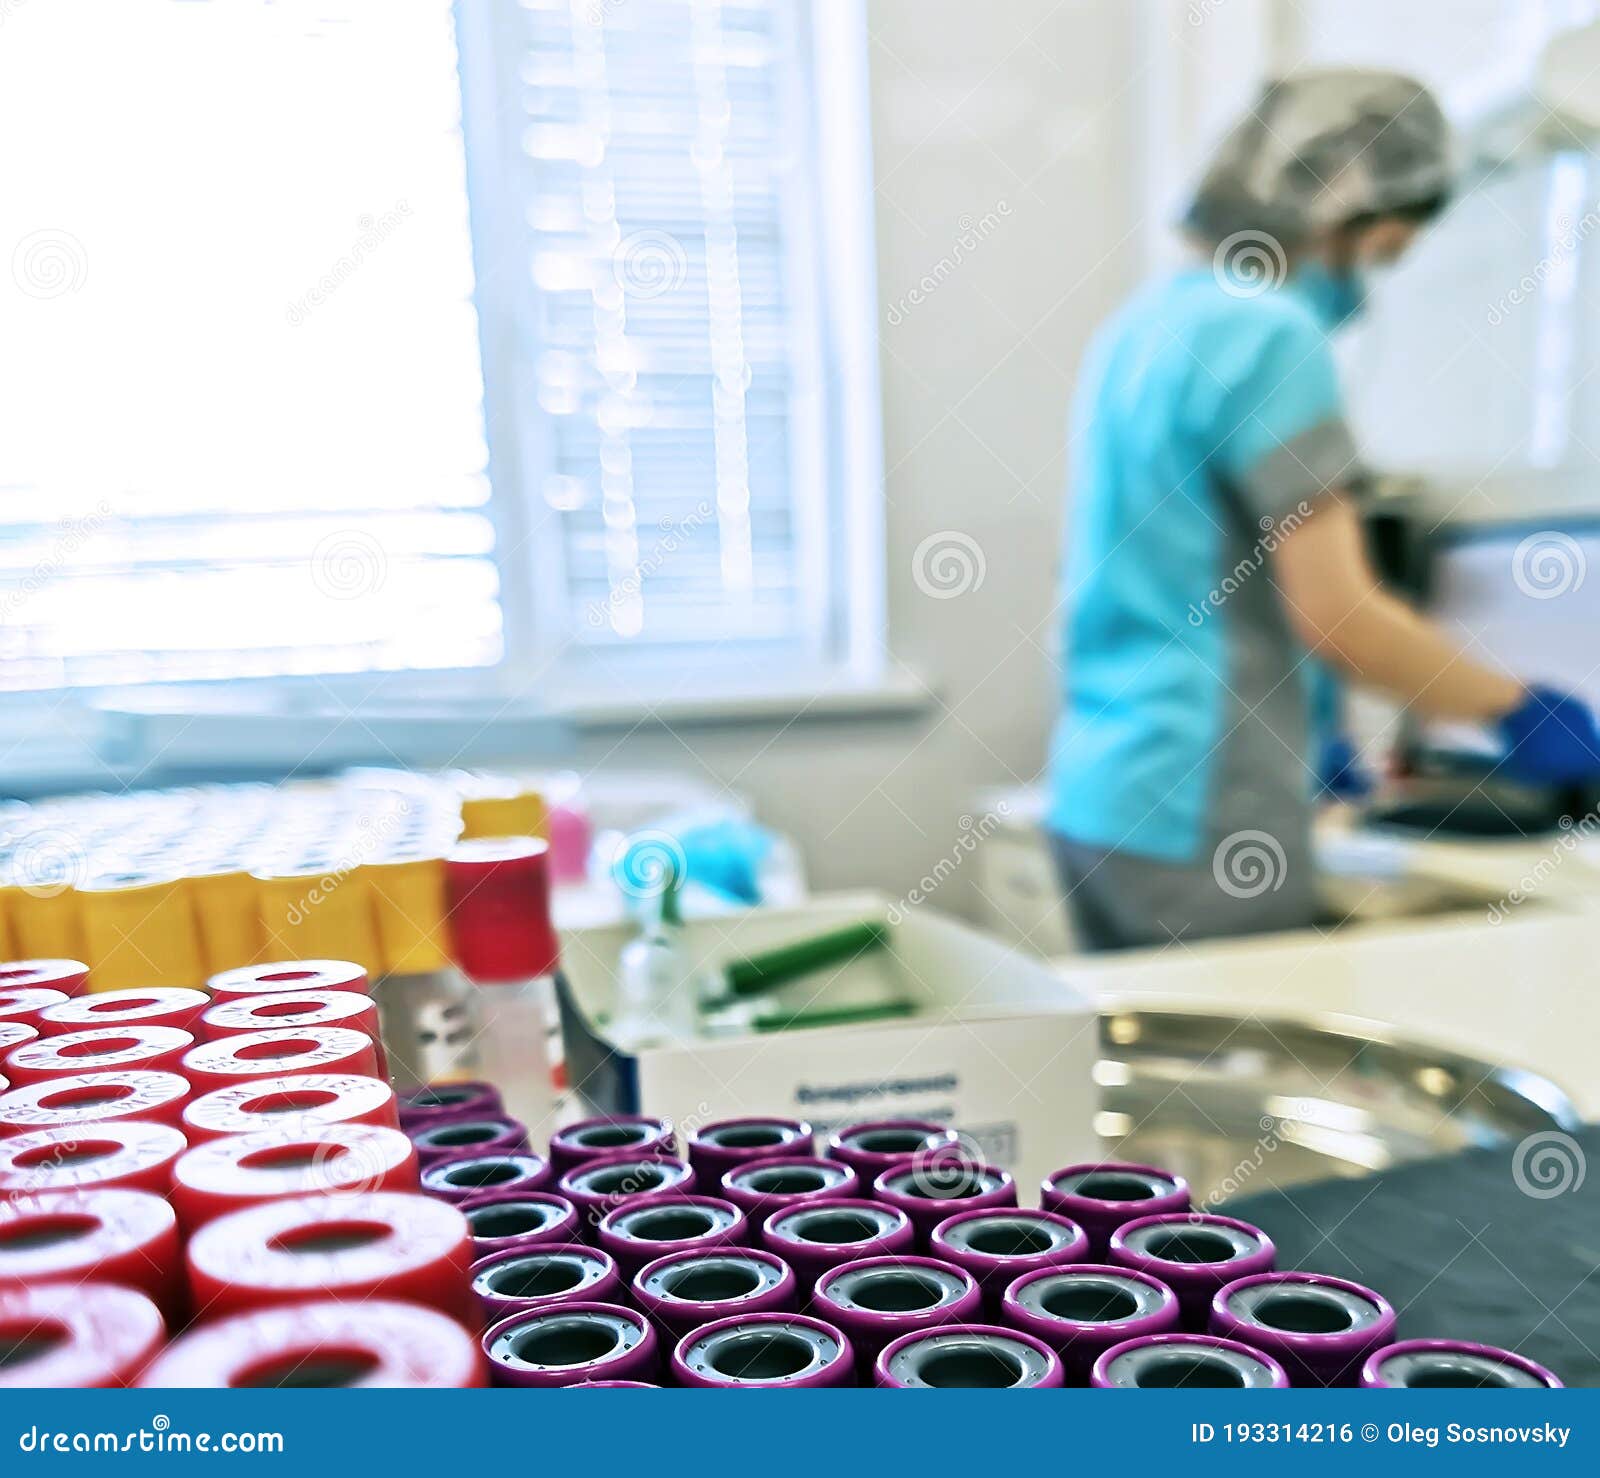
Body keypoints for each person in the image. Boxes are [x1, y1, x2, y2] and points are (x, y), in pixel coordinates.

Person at [1046, 70, 1600, 952]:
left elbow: (1182, 572)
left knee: (1171, 1080)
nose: (1377, 280)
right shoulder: (1271, 335)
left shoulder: (1144, 328)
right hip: (1204, 805)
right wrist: (1522, 711)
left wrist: (1302, 734)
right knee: (1229, 1079)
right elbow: (1338, 612)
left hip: (1104, 794)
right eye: (1388, 249)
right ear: (1345, 217)